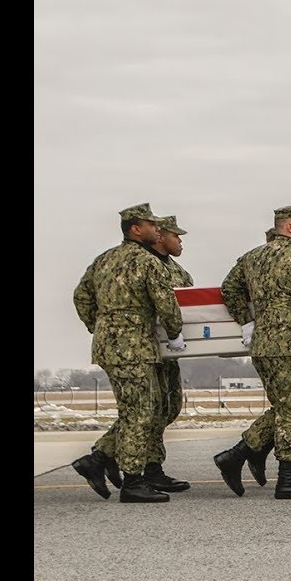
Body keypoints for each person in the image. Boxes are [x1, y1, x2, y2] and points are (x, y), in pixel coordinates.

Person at [212, 204, 291, 500]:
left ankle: (241, 456)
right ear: (289, 227)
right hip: (290, 346)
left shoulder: (252, 258)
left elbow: (229, 288)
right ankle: (288, 477)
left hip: (263, 345)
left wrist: (247, 320)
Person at [71, 203, 185, 503]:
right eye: (151, 225)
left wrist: (99, 325)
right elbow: (167, 305)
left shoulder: (104, 260)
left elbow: (81, 296)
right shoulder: (146, 262)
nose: (156, 230)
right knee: (142, 411)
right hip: (136, 346)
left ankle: (97, 461)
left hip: (109, 345)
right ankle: (133, 481)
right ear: (136, 228)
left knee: (139, 408)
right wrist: (175, 334)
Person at [141, 215, 193, 493]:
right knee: (145, 411)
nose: (180, 240)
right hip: (144, 349)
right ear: (160, 236)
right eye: (176, 235)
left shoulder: (178, 270)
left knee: (168, 408)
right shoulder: (140, 263)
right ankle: (147, 468)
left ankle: (104, 457)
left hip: (168, 353)